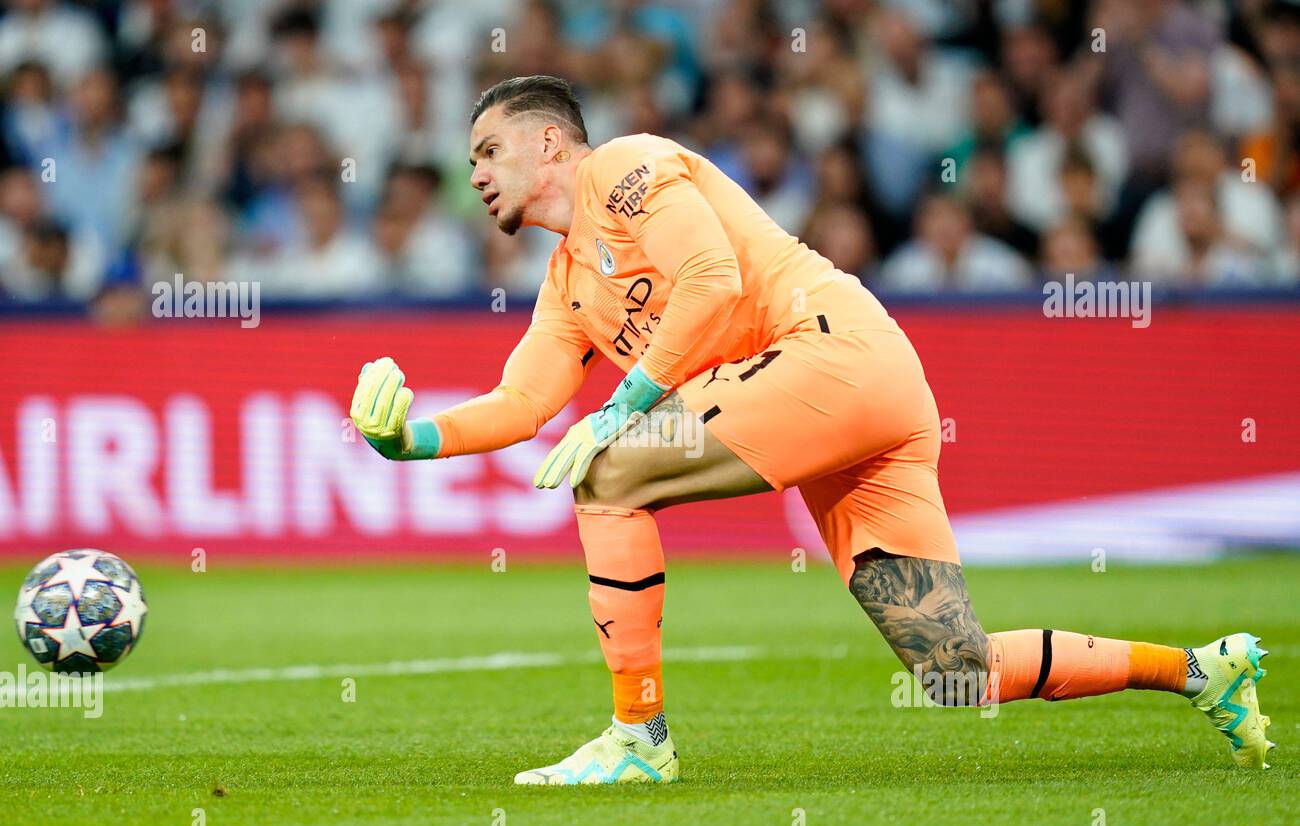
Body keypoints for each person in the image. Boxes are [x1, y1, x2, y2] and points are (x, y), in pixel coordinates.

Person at [348, 76, 1273, 784]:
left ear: (547, 141)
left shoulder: (622, 170)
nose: (472, 174)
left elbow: (709, 278)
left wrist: (623, 411)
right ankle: (1203, 670)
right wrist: (410, 442)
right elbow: (521, 403)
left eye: (487, 151)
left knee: (609, 474)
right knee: (953, 670)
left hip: (830, 352)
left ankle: (639, 737)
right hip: (863, 401)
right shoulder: (565, 281)